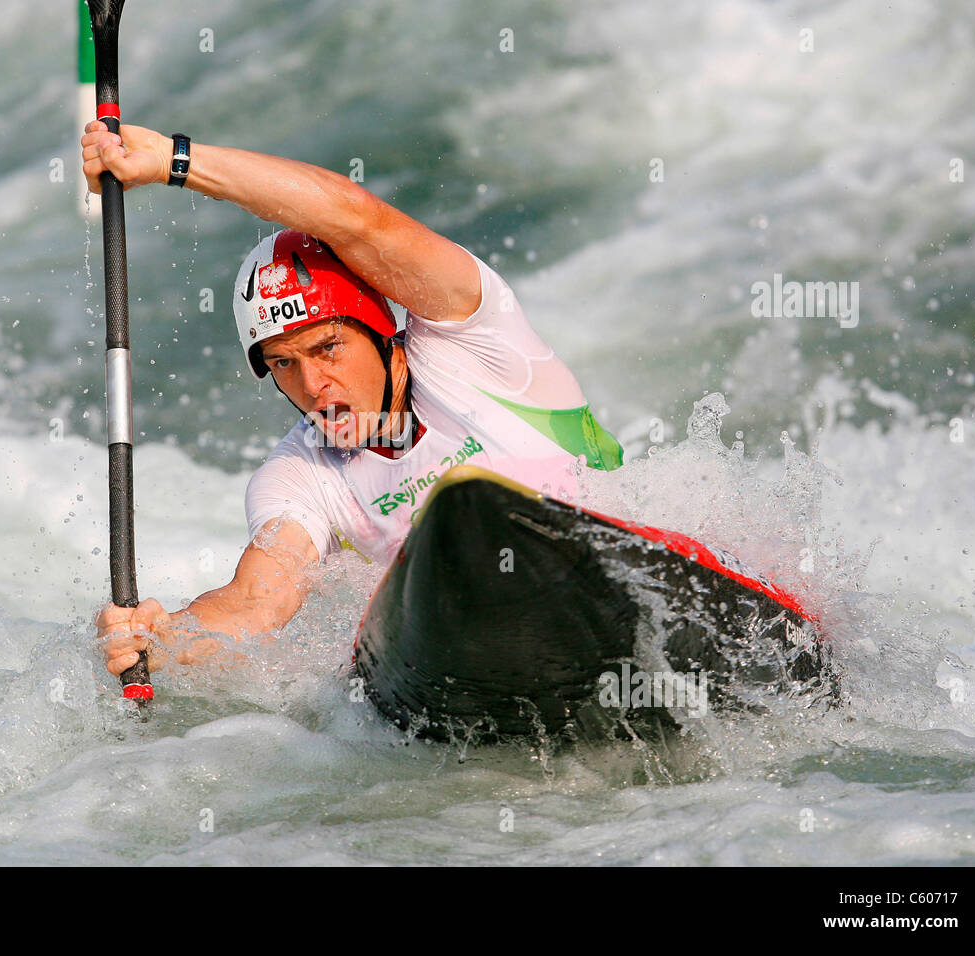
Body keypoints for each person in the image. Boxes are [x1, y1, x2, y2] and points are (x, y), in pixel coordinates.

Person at [83, 122, 623, 677]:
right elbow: (258, 600)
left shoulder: (475, 339)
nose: (312, 385)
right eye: (284, 363)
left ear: (386, 340)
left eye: (329, 348)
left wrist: (175, 160)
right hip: (474, 653)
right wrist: (165, 640)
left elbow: (356, 218)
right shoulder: (299, 475)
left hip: (605, 579)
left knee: (468, 504)